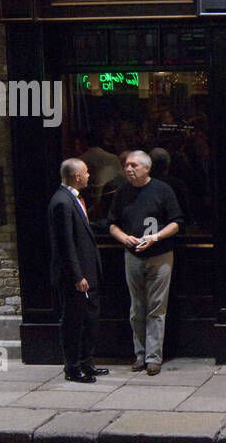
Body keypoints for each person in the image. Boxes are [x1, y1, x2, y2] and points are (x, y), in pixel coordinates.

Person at [109, 150, 184, 375]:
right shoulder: (122, 192)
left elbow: (176, 222)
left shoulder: (162, 190)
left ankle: (153, 357)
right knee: (137, 308)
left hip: (160, 255)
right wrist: (124, 238)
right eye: (126, 166)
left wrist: (156, 237)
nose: (128, 169)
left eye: (134, 165)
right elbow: (112, 223)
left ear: (146, 168)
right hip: (132, 256)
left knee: (156, 308)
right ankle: (139, 354)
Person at [48, 158, 105, 383]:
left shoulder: (75, 198)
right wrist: (77, 275)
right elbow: (66, 243)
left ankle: (86, 362)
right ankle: (72, 368)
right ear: (77, 176)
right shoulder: (62, 202)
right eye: (87, 172)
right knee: (73, 323)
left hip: (89, 273)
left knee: (89, 320)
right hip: (76, 277)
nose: (89, 175)